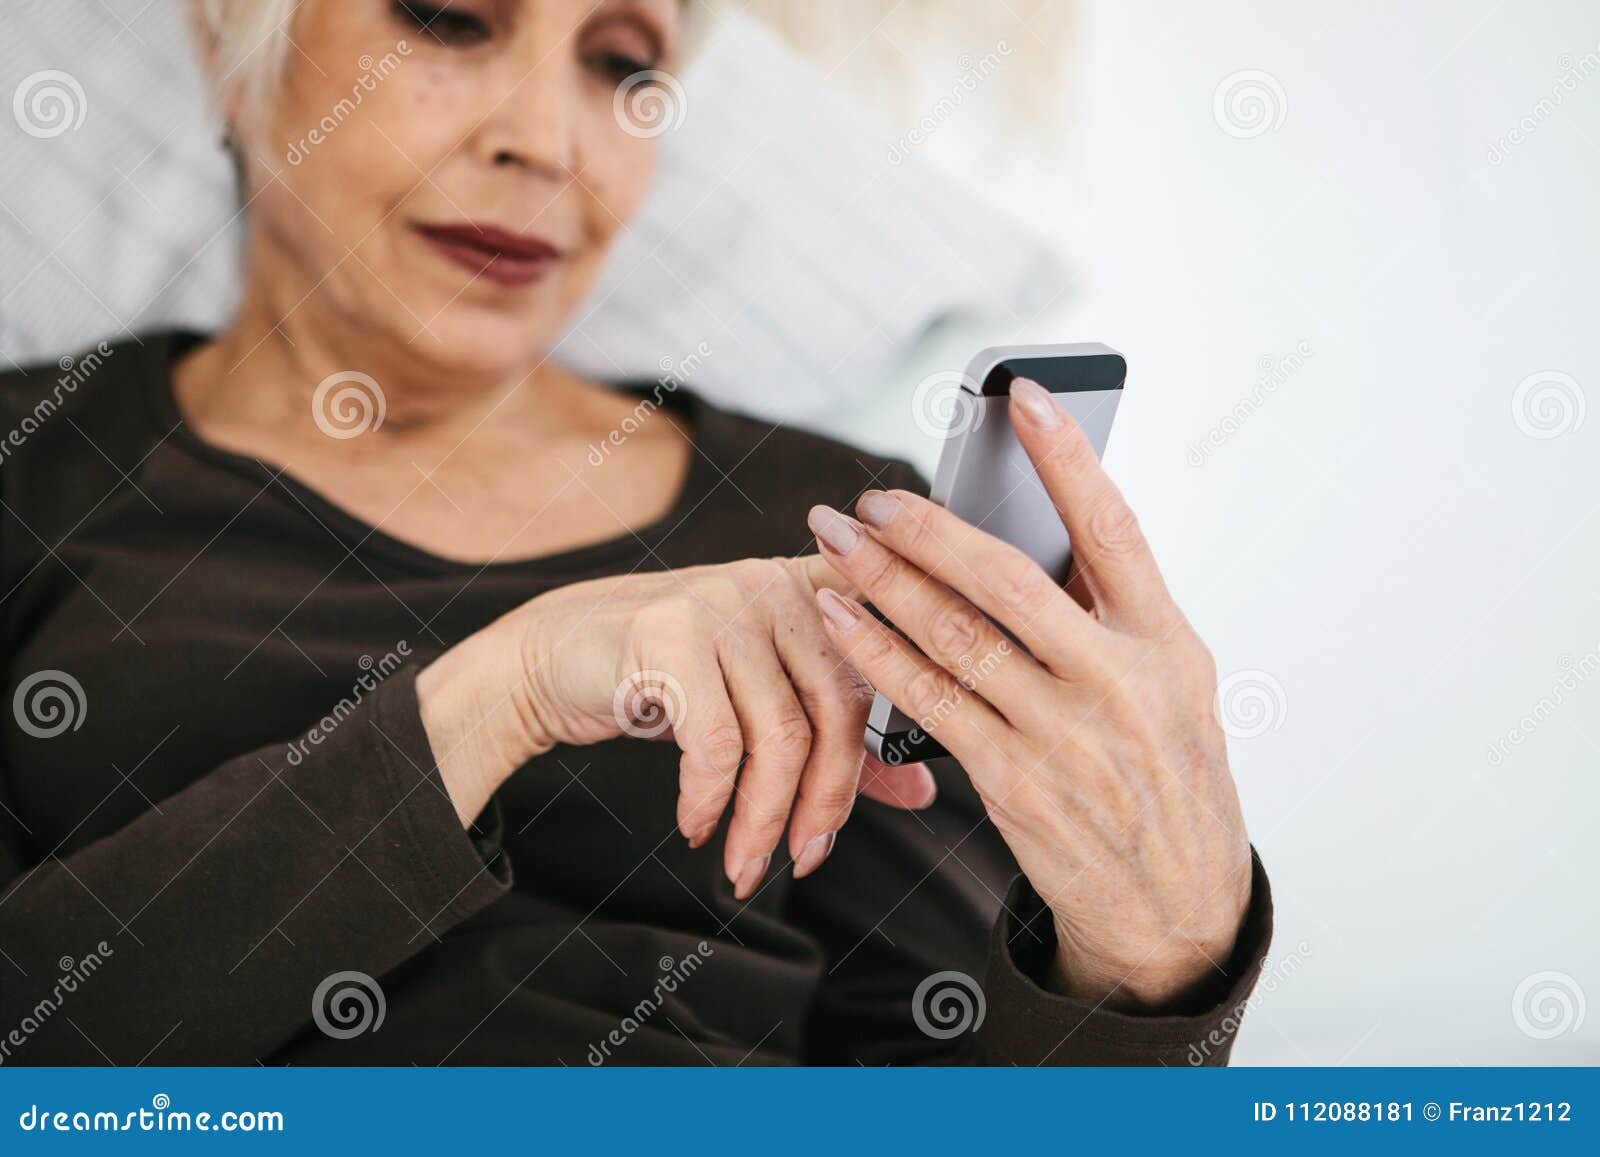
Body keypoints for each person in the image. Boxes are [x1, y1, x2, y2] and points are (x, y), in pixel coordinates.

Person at [0, 0, 1268, 1064]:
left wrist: (1151, 962)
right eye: (448, 20)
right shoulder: (34, 472)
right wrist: (497, 696)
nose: (548, 142)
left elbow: (938, 1079)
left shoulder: (829, 526)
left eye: (620, 64)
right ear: (229, 47)